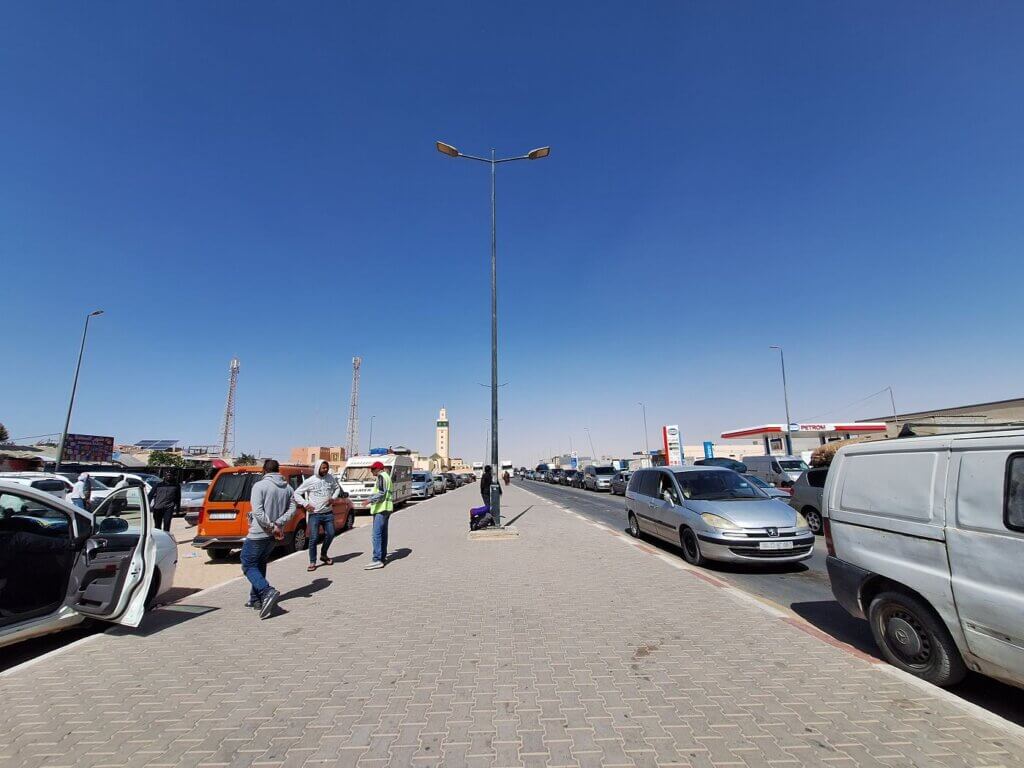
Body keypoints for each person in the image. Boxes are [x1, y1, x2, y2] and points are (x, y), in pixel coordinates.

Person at [242, 459, 298, 618]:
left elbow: (258, 512)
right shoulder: (288, 487)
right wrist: (279, 523)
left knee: (247, 564)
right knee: (260, 563)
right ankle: (256, 599)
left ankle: (267, 591)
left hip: (259, 533)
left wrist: (271, 525)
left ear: (264, 470)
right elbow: (292, 509)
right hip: (274, 534)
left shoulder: (259, 486)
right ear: (278, 470)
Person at [293, 459, 341, 572]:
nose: (325, 470)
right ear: (318, 468)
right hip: (315, 514)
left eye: (326, 468)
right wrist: (305, 504)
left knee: (331, 533)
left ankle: (323, 555)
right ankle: (312, 561)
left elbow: (337, 488)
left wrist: (333, 498)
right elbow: (296, 493)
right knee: (313, 538)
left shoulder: (330, 478)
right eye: (323, 468)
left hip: (328, 513)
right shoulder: (311, 481)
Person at [364, 461, 393, 570]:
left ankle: (377, 559)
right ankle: (382, 557)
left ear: (378, 469)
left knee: (376, 535)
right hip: (387, 508)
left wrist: (369, 500)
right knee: (383, 534)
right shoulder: (387, 476)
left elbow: (381, 492)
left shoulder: (381, 476)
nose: (371, 471)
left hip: (381, 508)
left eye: (372, 469)